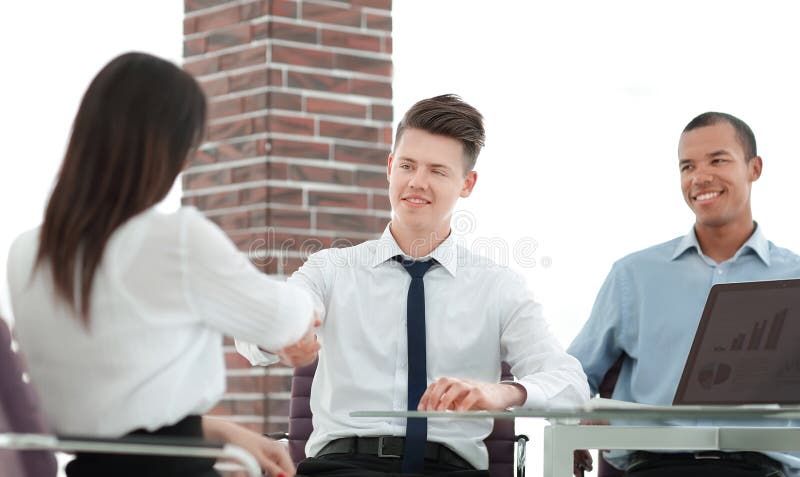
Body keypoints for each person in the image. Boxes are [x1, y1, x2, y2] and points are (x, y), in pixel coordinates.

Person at [237, 94, 589, 476]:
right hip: (343, 467)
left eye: (438, 171)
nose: (417, 183)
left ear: (467, 183)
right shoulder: (331, 270)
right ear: (390, 167)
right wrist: (287, 326)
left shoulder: (499, 287)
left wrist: (500, 393)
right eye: (407, 165)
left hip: (451, 469)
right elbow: (259, 329)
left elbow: (570, 384)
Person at [6, 52, 316, 477]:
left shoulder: (26, 252)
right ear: (170, 150)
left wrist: (226, 433)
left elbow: (115, 404)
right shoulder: (176, 240)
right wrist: (301, 319)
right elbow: (286, 319)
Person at [568, 112, 800, 477]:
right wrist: (580, 416)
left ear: (754, 168)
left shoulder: (795, 277)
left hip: (760, 468)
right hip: (657, 466)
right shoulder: (634, 275)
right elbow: (572, 374)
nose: (700, 177)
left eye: (718, 160)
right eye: (687, 166)